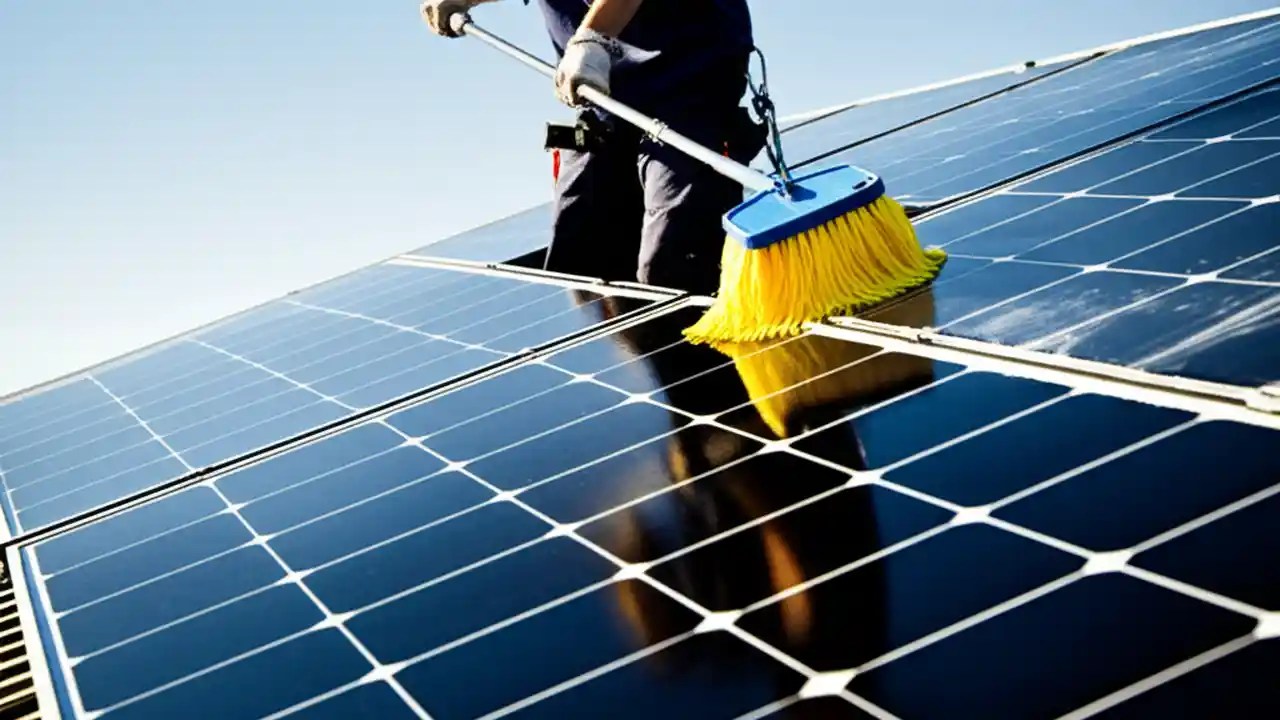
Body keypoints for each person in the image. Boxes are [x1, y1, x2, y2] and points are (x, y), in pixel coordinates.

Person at [420, 0, 765, 295]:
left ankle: (701, 365)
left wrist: (593, 37)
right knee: (578, 264)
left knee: (672, 267)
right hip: (606, 99)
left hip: (689, 83)